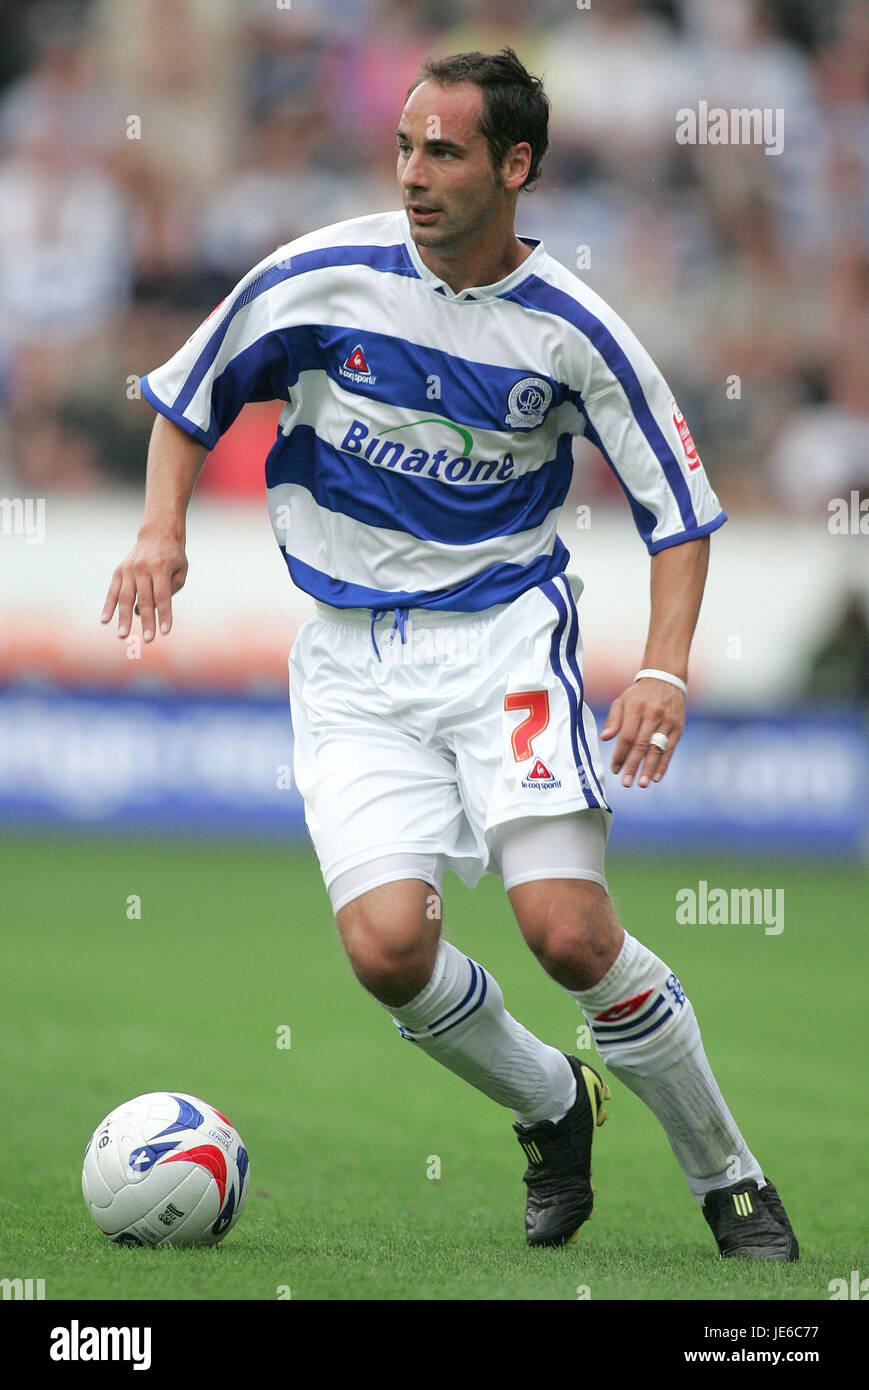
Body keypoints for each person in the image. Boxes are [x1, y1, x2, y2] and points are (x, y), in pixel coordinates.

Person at [102, 49, 797, 1259]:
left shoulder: (578, 331)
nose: (414, 175)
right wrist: (160, 528)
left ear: (514, 167)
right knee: (387, 951)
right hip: (351, 663)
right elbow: (187, 395)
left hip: (503, 644)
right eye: (405, 148)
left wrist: (663, 667)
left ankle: (726, 1177)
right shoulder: (318, 276)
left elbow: (677, 510)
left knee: (567, 932)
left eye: (445, 152)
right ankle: (550, 1104)